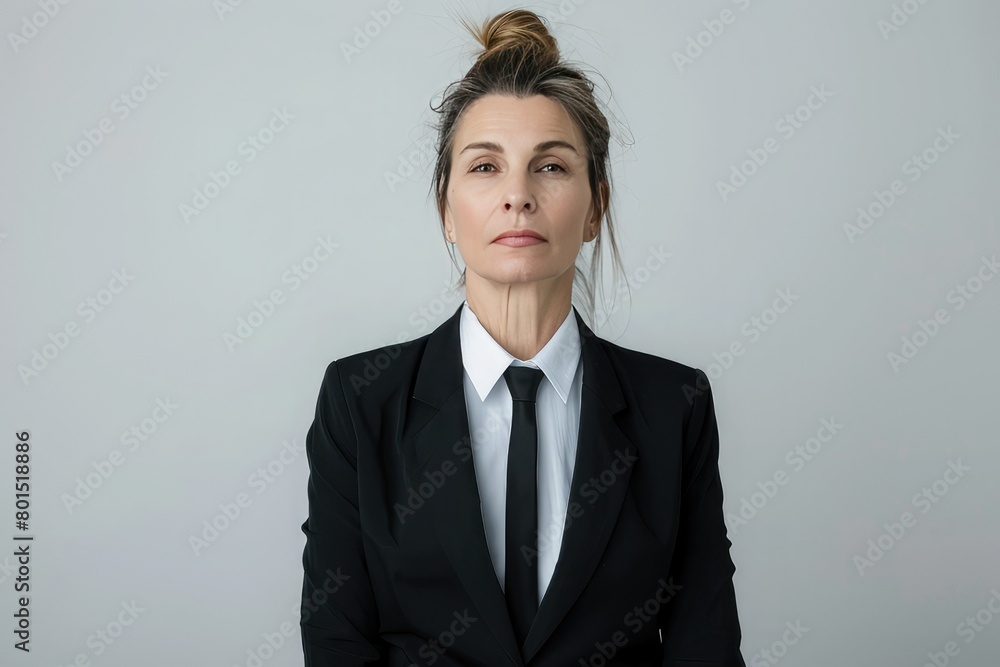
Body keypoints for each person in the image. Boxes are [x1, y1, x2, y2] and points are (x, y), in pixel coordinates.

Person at [299, 8, 746, 666]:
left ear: (595, 208)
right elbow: (338, 643)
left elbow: (702, 646)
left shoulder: (673, 406)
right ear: (446, 207)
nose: (518, 195)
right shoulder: (360, 403)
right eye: (485, 167)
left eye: (552, 166)